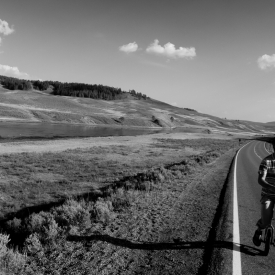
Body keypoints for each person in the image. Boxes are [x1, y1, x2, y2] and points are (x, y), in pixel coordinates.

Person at [253, 139, 275, 246]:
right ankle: (259, 230)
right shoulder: (266, 161)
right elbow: (260, 180)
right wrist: (271, 187)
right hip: (268, 195)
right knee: (266, 220)